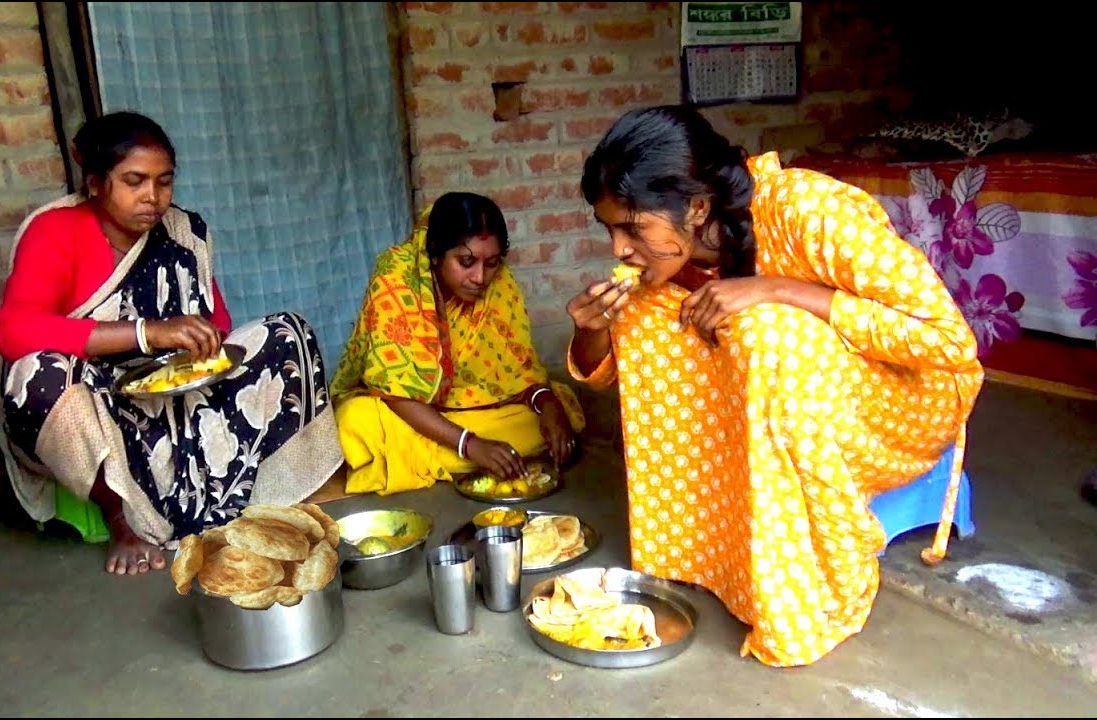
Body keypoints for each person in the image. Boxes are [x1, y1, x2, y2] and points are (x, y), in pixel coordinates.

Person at [565, 105, 984, 667]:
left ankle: (803, 585)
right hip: (804, 404)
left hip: (901, 401)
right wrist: (589, 331)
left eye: (632, 228)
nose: (618, 249)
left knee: (765, 330)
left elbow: (947, 344)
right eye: (610, 229)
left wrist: (777, 289)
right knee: (647, 314)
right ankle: (709, 551)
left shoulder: (807, 209)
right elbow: (605, 370)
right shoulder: (667, 263)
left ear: (695, 207)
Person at [0, 111, 344, 576]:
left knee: (287, 332)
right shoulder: (56, 231)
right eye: (134, 181)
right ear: (97, 183)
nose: (152, 198)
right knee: (37, 374)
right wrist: (145, 332)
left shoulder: (184, 233)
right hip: (103, 403)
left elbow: (216, 323)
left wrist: (199, 341)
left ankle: (260, 490)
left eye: (164, 182)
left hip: (179, 395)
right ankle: (123, 519)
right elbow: (12, 332)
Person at [330, 192, 586, 495]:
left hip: (477, 409)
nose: (480, 277)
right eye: (466, 262)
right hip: (406, 413)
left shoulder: (499, 285)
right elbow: (394, 393)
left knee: (560, 406)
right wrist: (470, 444)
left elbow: (521, 374)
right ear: (437, 253)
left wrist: (549, 407)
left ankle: (433, 458)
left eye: (491, 263)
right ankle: (472, 456)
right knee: (355, 422)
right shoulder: (396, 279)